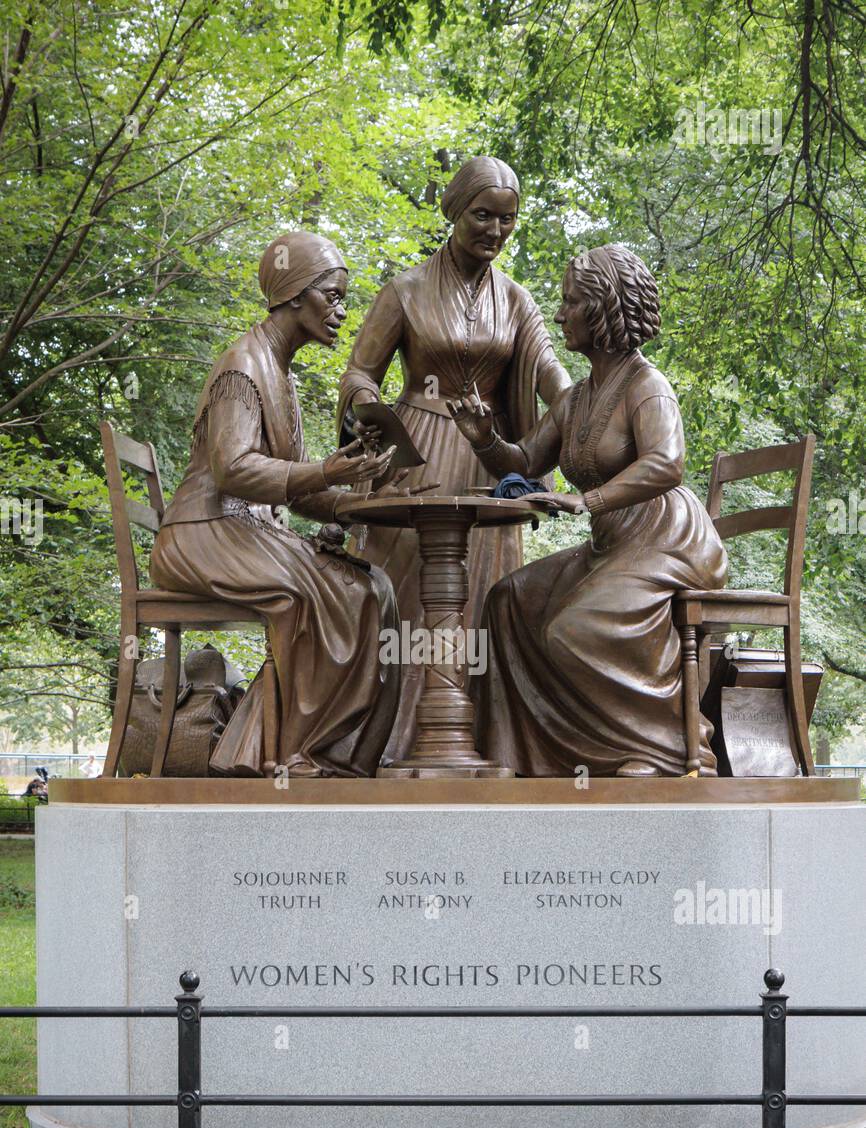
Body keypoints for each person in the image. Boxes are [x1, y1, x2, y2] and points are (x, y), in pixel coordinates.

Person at [447, 243, 728, 777]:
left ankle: (666, 749)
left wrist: (586, 499)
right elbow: (526, 459)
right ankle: (523, 758)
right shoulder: (575, 398)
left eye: (571, 302)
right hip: (610, 543)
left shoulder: (648, 386)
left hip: (666, 540)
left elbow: (667, 464)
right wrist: (485, 439)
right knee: (507, 601)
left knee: (574, 629)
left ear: (603, 310)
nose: (560, 315)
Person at [337, 155, 571, 759]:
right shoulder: (406, 290)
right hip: (414, 453)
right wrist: (366, 408)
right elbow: (360, 371)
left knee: (482, 594)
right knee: (406, 595)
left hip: (487, 458)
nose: (496, 230)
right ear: (455, 211)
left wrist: (582, 409)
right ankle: (391, 742)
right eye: (483, 215)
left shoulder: (516, 300)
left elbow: (550, 372)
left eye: (507, 219)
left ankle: (473, 739)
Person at [150, 231, 401, 778]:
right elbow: (234, 469)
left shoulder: (281, 376)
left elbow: (300, 490)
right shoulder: (243, 367)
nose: (341, 312)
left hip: (244, 530)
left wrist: (363, 498)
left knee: (375, 587)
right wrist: (327, 471)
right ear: (293, 294)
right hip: (203, 532)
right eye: (331, 297)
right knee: (313, 592)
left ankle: (339, 752)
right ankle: (291, 751)